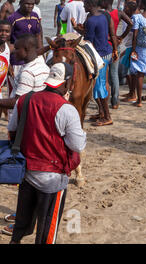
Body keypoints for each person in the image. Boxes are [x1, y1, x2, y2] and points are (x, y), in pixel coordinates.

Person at [7, 62, 86, 244]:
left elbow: (12, 131)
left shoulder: (24, 100)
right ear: (67, 83)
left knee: (21, 223)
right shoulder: (67, 109)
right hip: (53, 178)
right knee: (46, 232)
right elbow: (77, 145)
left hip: (26, 172)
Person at [82, 0, 118, 126]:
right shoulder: (103, 16)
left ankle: (107, 116)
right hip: (106, 52)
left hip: (99, 56)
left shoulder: (91, 20)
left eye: (85, 4)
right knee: (101, 84)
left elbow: (89, 42)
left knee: (100, 86)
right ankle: (102, 112)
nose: (83, 6)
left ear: (90, 5)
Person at [0, 34, 49, 112]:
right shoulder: (43, 65)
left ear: (26, 49)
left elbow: (18, 102)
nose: (14, 52)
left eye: (16, 49)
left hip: (24, 117)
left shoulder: (28, 73)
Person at [102, 0, 133, 109]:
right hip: (116, 45)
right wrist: (121, 37)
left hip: (104, 46)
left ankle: (103, 100)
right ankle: (115, 102)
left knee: (104, 75)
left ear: (105, 2)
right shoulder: (118, 13)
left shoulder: (102, 14)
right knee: (114, 74)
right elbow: (130, 23)